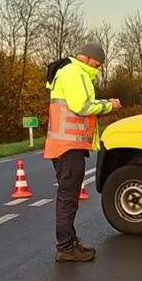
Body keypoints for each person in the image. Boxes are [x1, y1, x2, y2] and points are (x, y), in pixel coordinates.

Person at [44, 43, 121, 262]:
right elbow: (82, 106)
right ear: (86, 58)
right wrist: (108, 105)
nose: (98, 68)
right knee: (68, 199)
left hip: (68, 146)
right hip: (67, 147)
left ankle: (69, 242)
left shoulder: (73, 72)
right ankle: (66, 247)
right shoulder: (73, 73)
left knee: (69, 198)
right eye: (97, 64)